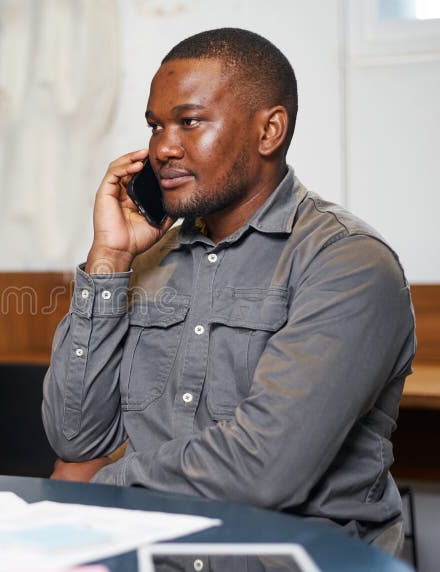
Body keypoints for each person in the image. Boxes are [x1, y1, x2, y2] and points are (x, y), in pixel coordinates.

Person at [41, 28, 415, 553]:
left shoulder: (347, 263)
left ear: (269, 131)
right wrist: (110, 259)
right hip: (159, 555)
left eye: (189, 122)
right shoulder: (145, 260)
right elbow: (75, 437)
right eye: (155, 126)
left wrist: (101, 487)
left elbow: (265, 469)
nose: (163, 148)